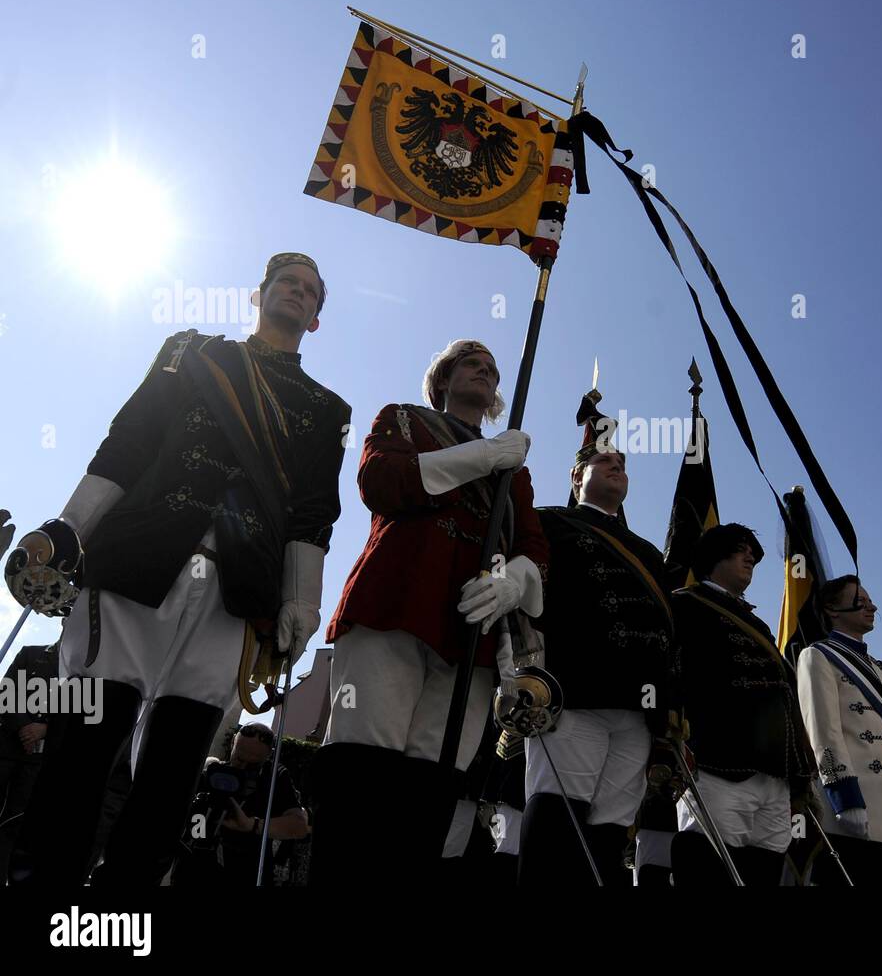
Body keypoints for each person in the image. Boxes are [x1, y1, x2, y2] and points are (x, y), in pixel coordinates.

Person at [5, 252, 349, 886]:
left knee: (173, 771)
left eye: (309, 291)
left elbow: (312, 513)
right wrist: (68, 528)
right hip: (137, 559)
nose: (296, 294)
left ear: (318, 318)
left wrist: (302, 600)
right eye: (286, 283)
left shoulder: (328, 409)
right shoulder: (192, 350)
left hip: (236, 592)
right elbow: (129, 440)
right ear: (258, 294)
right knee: (82, 749)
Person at [310, 339, 546, 886]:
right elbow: (383, 483)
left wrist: (515, 583)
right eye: (472, 364)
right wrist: (487, 456)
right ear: (443, 378)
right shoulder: (403, 419)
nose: (484, 373)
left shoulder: (517, 473)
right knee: (362, 775)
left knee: (431, 793)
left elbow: (535, 546)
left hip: (473, 637)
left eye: (491, 370)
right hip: (394, 604)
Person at [517, 390, 675, 887]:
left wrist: (670, 709)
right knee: (556, 816)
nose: (615, 467)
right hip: (572, 691)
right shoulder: (548, 524)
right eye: (603, 460)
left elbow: (669, 635)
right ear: (575, 477)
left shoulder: (649, 553)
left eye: (622, 463)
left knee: (609, 833)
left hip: (637, 705)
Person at [671, 523, 814, 886]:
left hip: (775, 771)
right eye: (740, 549)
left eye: (754, 552)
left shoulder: (758, 625)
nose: (750, 557)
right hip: (718, 759)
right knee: (707, 866)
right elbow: (671, 675)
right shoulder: (685, 604)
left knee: (763, 872)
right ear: (714, 556)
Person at [796, 576, 882, 886]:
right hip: (856, 807)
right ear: (831, 609)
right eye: (860, 601)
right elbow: (823, 732)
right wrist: (845, 797)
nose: (872, 607)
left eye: (870, 601)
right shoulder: (818, 655)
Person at [172, 723, 308, 887]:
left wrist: (251, 824)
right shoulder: (213, 773)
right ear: (232, 744)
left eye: (253, 765)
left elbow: (299, 826)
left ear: (269, 755)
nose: (242, 769)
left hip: (245, 872)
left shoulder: (274, 778)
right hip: (193, 867)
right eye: (239, 759)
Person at [0, 640, 59, 874]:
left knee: (15, 824)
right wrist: (25, 727)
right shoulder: (31, 653)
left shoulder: (84, 669)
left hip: (39, 763)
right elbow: (6, 692)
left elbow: (83, 712)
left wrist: (47, 729)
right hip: (6, 747)